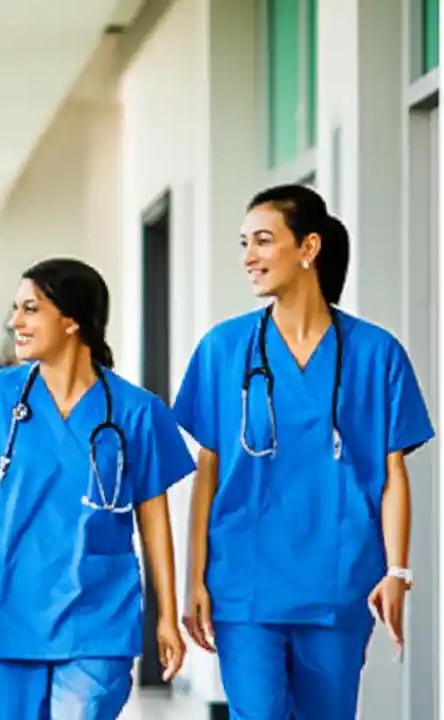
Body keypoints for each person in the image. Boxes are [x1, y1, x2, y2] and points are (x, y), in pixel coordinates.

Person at [173, 185, 434, 719]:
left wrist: (398, 572)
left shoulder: (375, 353)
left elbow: (392, 474)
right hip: (243, 584)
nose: (249, 257)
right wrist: (192, 579)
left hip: (336, 583)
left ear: (309, 247)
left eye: (263, 241)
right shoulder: (223, 350)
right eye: (244, 243)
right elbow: (208, 473)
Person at [0, 258, 190, 718]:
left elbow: (154, 521)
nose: (15, 322)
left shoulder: (137, 412)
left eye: (30, 309)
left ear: (73, 320)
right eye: (15, 309)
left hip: (95, 612)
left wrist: (166, 616)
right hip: (3, 610)